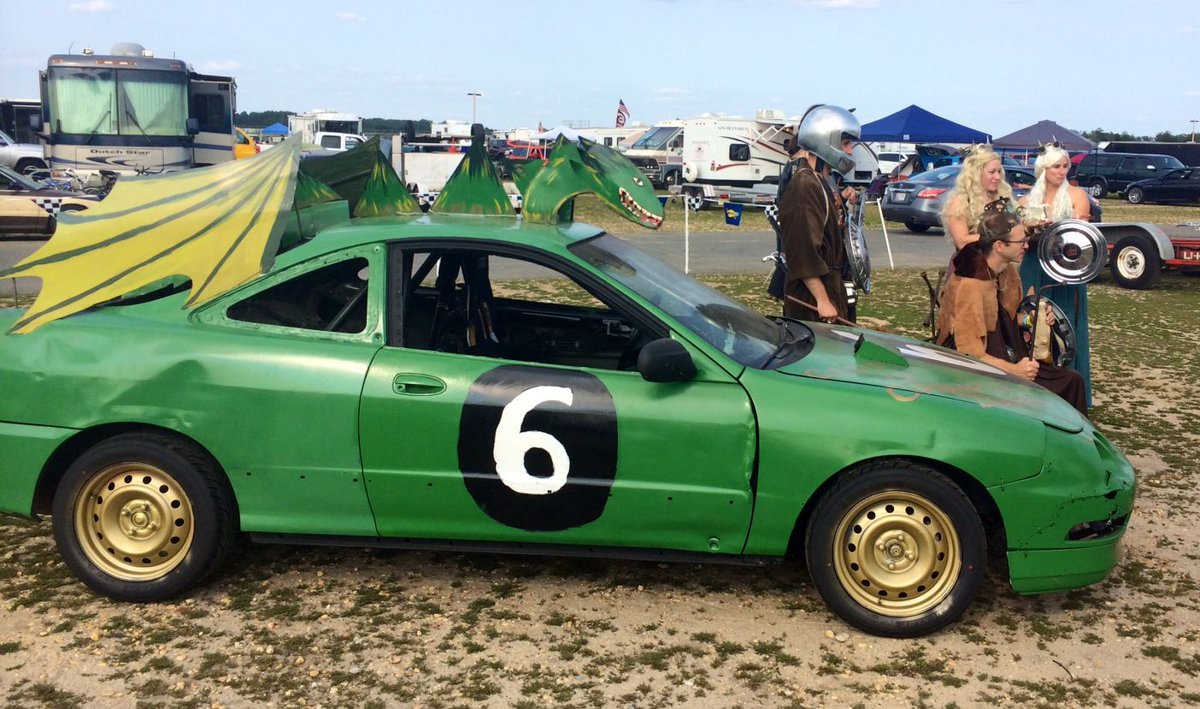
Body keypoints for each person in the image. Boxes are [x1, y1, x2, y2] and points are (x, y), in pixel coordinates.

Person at [936, 206, 1087, 415]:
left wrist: (1036, 319)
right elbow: (969, 354)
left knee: (1072, 381)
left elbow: (1011, 320)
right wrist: (1015, 371)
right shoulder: (970, 285)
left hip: (1007, 355)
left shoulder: (1007, 272)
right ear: (999, 245)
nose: (1026, 245)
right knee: (1053, 390)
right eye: (1020, 242)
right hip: (977, 373)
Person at [1018, 143, 1093, 406]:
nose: (1062, 171)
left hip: (1065, 269)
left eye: (1065, 166)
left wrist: (1073, 223)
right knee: (1031, 319)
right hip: (1033, 264)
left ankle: (1070, 385)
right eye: (1056, 166)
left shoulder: (1076, 194)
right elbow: (1018, 234)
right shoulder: (1027, 200)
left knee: (1065, 324)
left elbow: (1084, 233)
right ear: (1043, 169)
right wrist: (1029, 228)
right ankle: (1035, 380)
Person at [778, 105, 860, 323]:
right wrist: (822, 300)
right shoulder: (804, 185)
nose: (850, 151)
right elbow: (802, 250)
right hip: (812, 295)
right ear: (824, 140)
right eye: (845, 143)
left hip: (831, 284)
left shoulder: (820, 180)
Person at [941, 146, 1016, 250]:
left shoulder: (1003, 198)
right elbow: (961, 242)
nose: (998, 177)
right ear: (976, 173)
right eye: (992, 172)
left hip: (1002, 264)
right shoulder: (960, 202)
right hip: (972, 263)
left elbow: (1016, 227)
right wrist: (998, 234)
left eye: (999, 171)